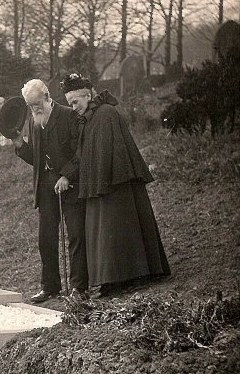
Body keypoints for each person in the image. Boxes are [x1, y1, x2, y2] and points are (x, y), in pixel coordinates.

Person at [60, 72, 170, 296]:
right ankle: (111, 279)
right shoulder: (88, 118)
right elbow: (83, 154)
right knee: (103, 231)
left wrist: (101, 179)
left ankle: (124, 277)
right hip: (99, 184)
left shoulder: (106, 113)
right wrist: (67, 176)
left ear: (88, 95)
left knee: (116, 228)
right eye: (70, 103)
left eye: (75, 102)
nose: (73, 107)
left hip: (116, 183)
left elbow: (113, 150)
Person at [14, 79, 88, 303]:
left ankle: (79, 288)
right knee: (45, 238)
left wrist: (67, 175)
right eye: (30, 106)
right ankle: (50, 287)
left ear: (47, 97)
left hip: (70, 185)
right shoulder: (34, 120)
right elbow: (36, 158)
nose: (34, 109)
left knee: (76, 235)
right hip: (45, 186)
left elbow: (81, 151)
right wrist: (20, 144)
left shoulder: (68, 115)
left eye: (36, 104)